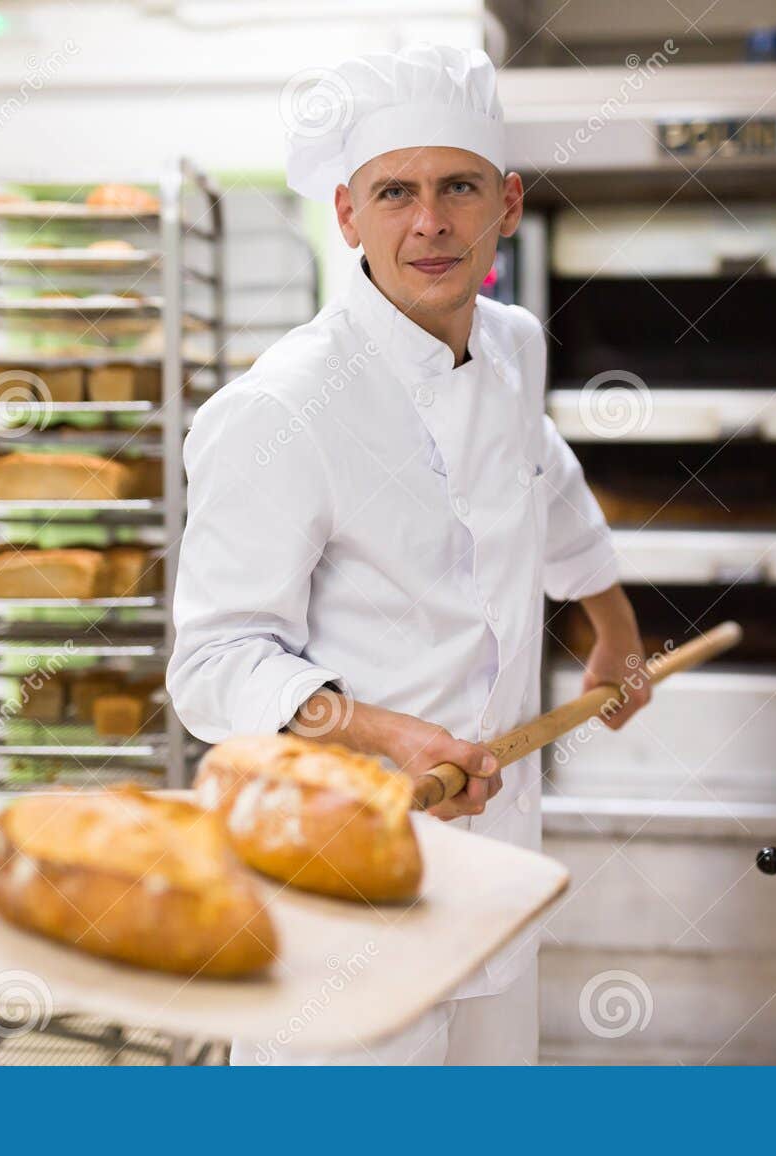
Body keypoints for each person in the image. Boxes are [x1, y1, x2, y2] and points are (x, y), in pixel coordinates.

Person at [167, 42, 649, 1065]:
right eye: (394, 193)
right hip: (346, 893)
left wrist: (611, 623)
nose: (428, 223)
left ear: (506, 204)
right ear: (348, 215)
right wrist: (386, 732)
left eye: (457, 188)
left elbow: (547, 478)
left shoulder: (512, 345)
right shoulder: (278, 409)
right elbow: (214, 667)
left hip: (496, 868)